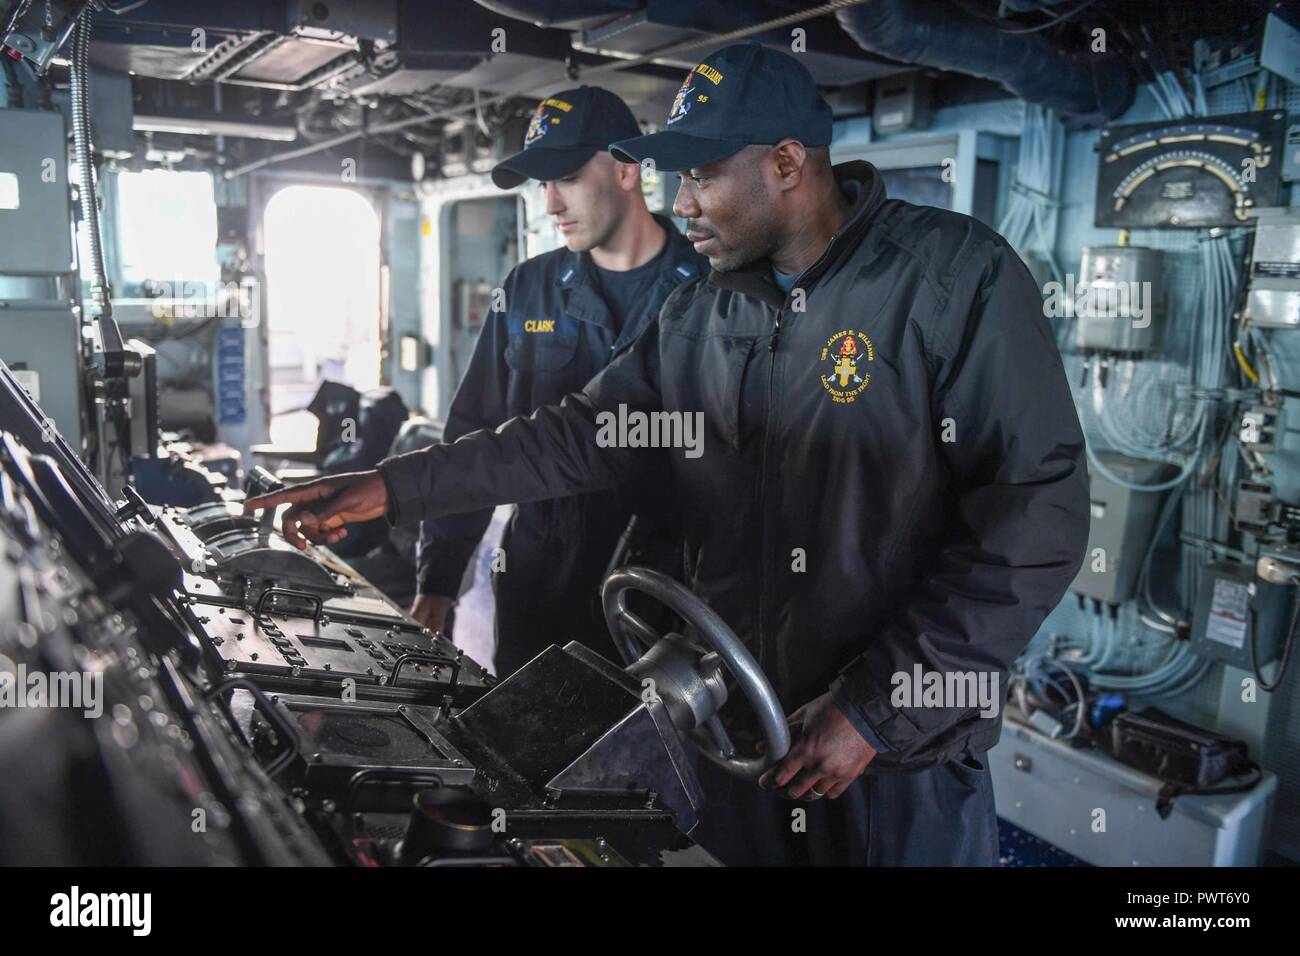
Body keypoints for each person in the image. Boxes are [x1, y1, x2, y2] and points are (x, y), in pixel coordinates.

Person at [245, 43, 1090, 866]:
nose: (682, 203)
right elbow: (579, 435)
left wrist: (876, 709)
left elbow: (1034, 519)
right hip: (736, 726)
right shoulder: (703, 313)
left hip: (895, 759)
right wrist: (395, 487)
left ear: (788, 164)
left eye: (701, 174)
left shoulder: (951, 279)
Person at [408, 85, 706, 677]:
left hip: (662, 592)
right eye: (540, 184)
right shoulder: (526, 290)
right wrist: (441, 575)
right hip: (537, 574)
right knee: (522, 745)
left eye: (564, 177)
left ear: (626, 169)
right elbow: (475, 428)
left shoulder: (707, 288)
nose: (549, 203)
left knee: (648, 761)